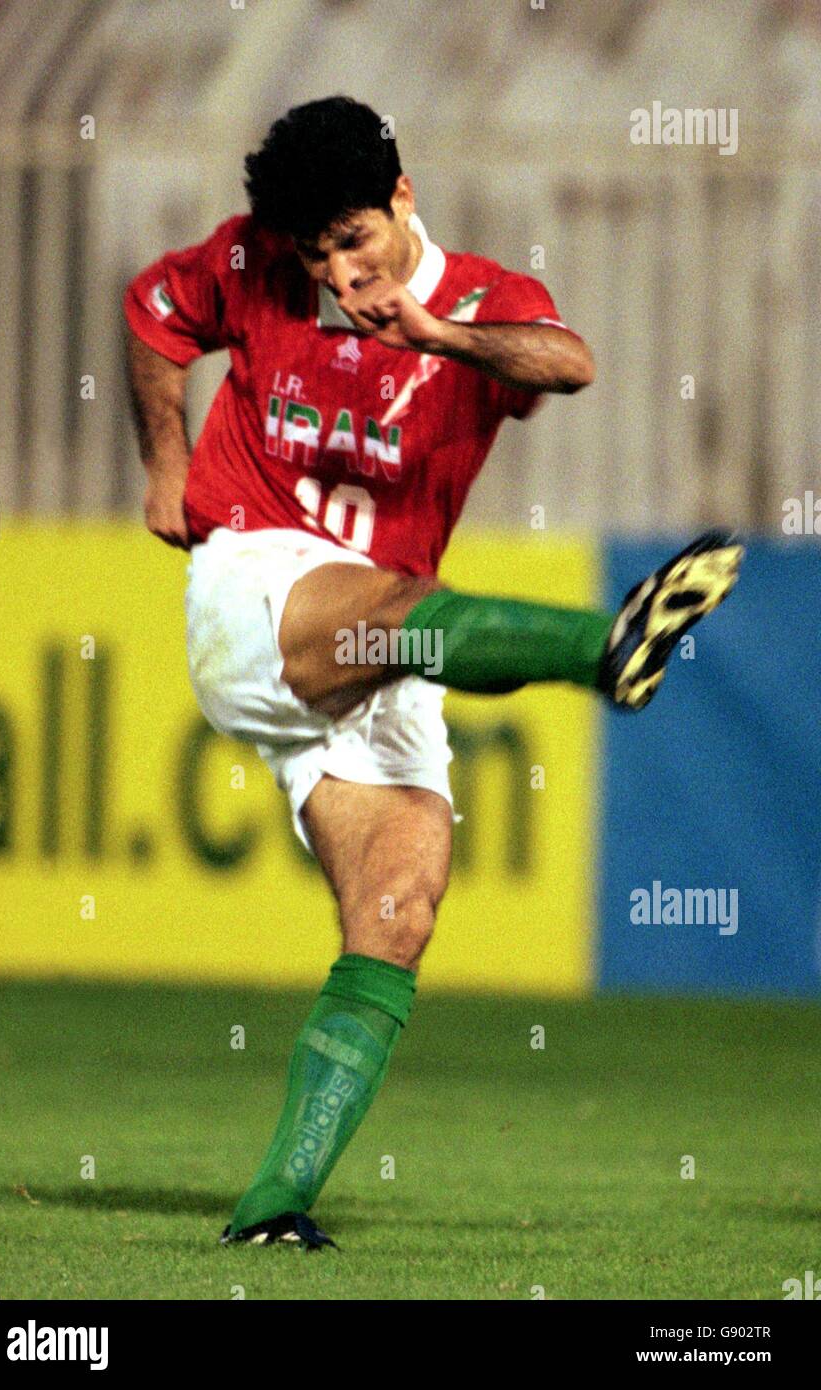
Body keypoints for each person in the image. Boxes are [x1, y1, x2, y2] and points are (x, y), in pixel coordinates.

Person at [124, 96, 742, 1250]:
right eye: (320, 257)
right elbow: (154, 312)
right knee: (400, 612)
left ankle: (273, 1206)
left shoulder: (474, 305)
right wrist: (165, 462)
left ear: (404, 197)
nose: (341, 275)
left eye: (354, 240)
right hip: (256, 590)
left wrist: (439, 337)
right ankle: (602, 649)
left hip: (383, 641)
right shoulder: (251, 262)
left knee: (399, 905)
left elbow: (570, 362)